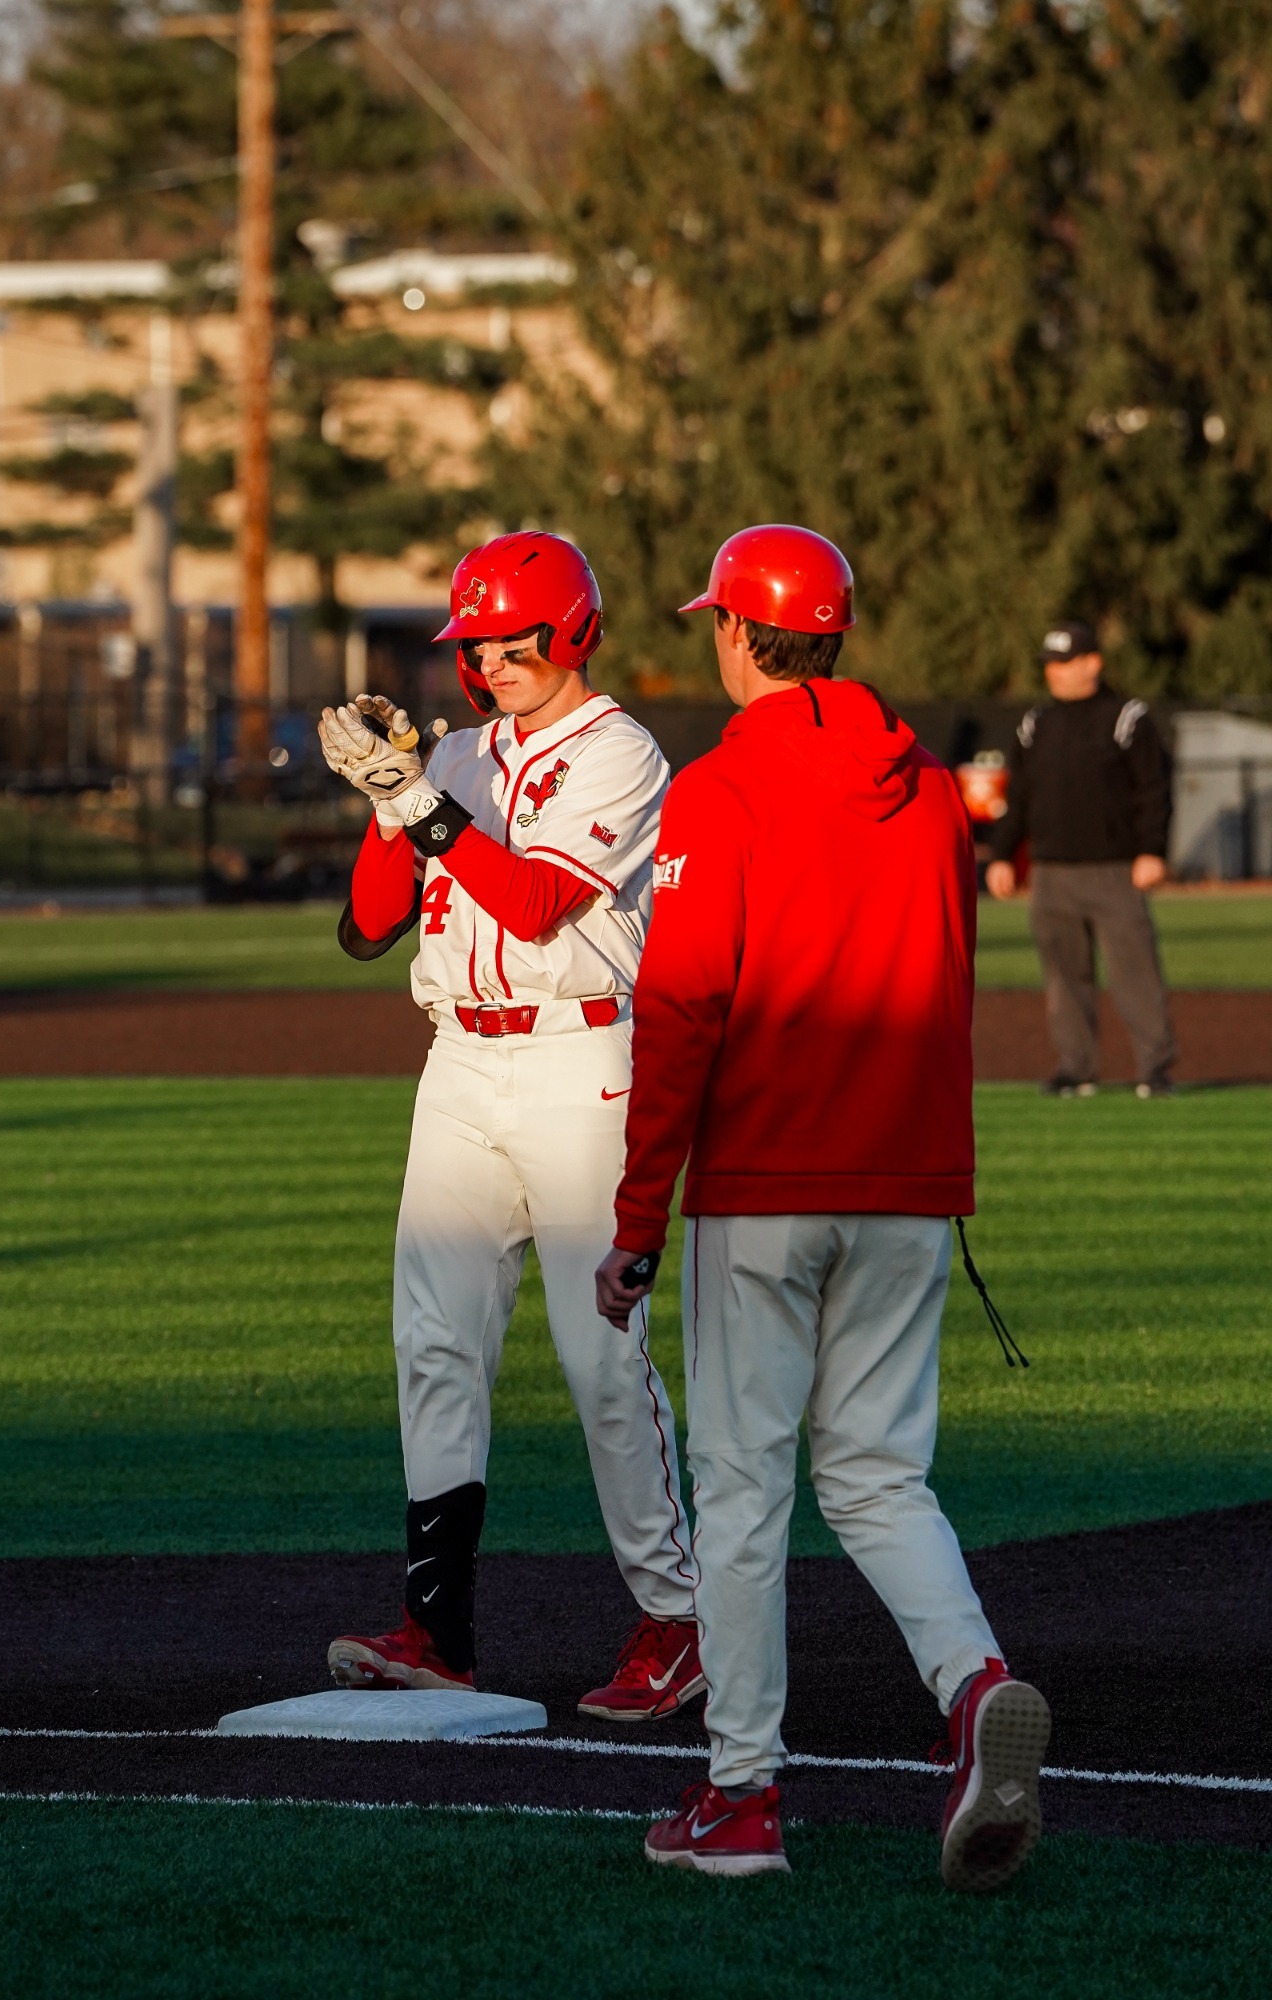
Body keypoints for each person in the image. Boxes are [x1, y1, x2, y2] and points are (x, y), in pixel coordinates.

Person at [595, 524, 1050, 1890]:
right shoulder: (923, 796)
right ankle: (973, 1690)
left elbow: (679, 1012)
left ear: (740, 633)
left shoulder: (725, 788)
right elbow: (956, 976)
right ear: (833, 636)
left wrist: (632, 1223)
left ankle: (741, 1799)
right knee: (877, 1475)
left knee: (741, 1490)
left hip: (770, 1187)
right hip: (909, 1181)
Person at [316, 530, 702, 1723]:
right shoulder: (461, 753)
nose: (494, 655)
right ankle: (437, 1633)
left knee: (600, 1359)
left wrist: (418, 799)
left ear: (572, 627)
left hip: (581, 1056)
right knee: (432, 1346)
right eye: (476, 639)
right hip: (460, 1061)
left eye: (514, 633)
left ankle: (677, 1617)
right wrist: (389, 800)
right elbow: (367, 927)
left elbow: (538, 903)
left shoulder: (622, 752)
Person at [984, 620, 1177, 1098]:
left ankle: (1155, 1069)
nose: (1056, 673)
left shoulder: (1126, 717)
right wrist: (1003, 854)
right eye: (1050, 664)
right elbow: (1020, 796)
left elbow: (1154, 790)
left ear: (1093, 663)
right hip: (1052, 872)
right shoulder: (1036, 723)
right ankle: (1077, 1067)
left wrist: (1152, 850)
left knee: (1135, 974)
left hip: (1114, 869)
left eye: (1066, 662)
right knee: (1064, 976)